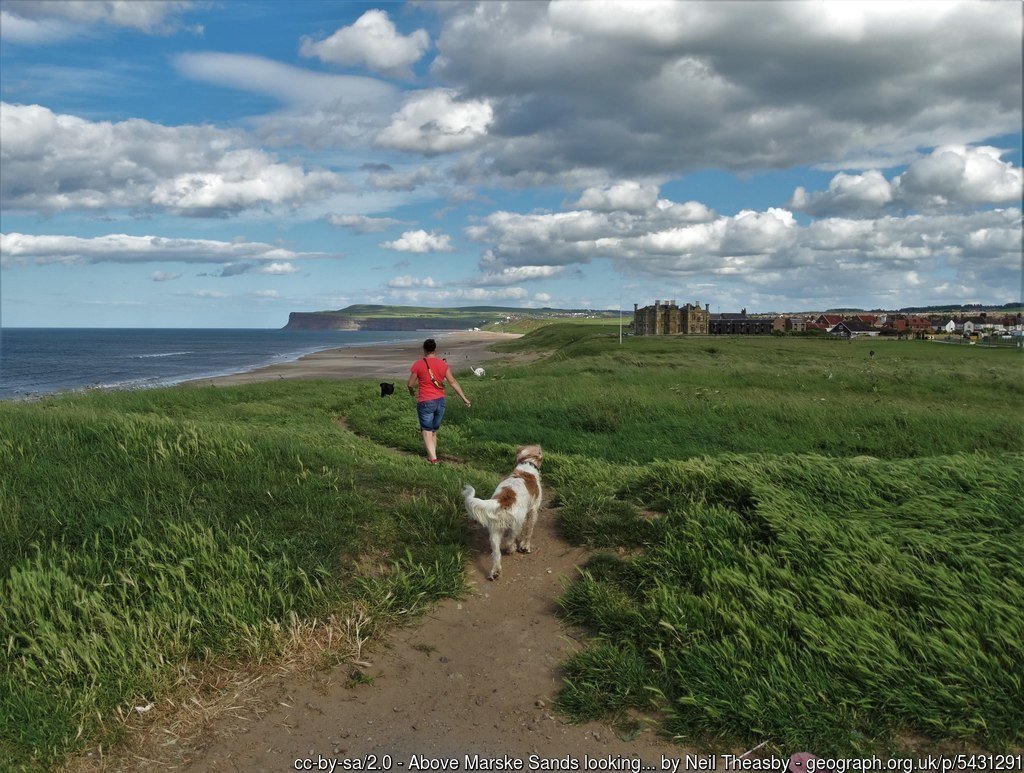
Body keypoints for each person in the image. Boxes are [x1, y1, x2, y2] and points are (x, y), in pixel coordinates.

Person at [407, 338, 471, 464]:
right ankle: (432, 455)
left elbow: (410, 384)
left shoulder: (418, 364)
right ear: (435, 350)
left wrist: (412, 392)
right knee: (434, 431)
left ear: (424, 349)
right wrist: (464, 398)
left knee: (426, 430)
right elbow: (452, 382)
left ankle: (433, 459)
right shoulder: (443, 364)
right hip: (440, 401)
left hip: (425, 401)